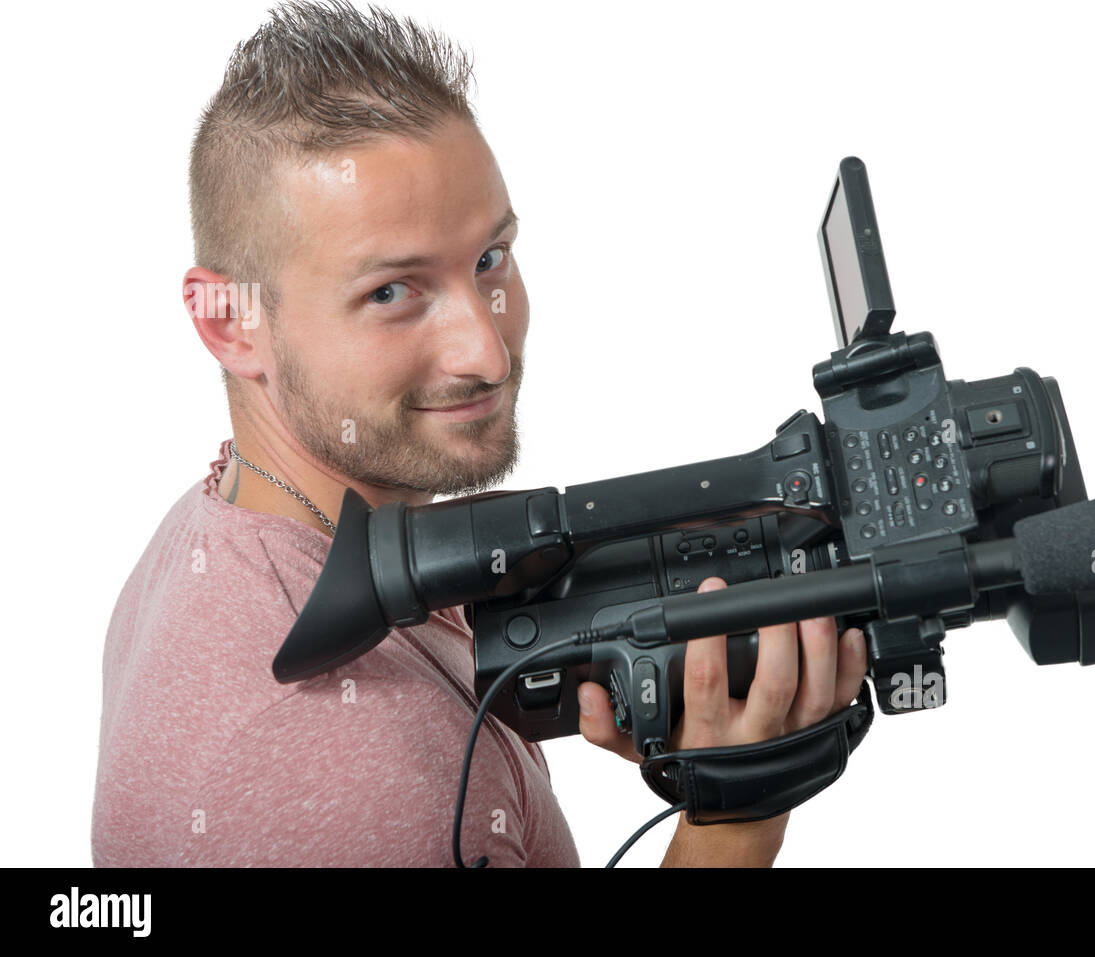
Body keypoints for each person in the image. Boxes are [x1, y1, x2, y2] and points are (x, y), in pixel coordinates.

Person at [91, 0, 868, 868]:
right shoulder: (358, 779)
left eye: (490, 259)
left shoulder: (231, 523)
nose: (487, 351)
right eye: (392, 292)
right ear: (232, 323)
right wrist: (736, 814)